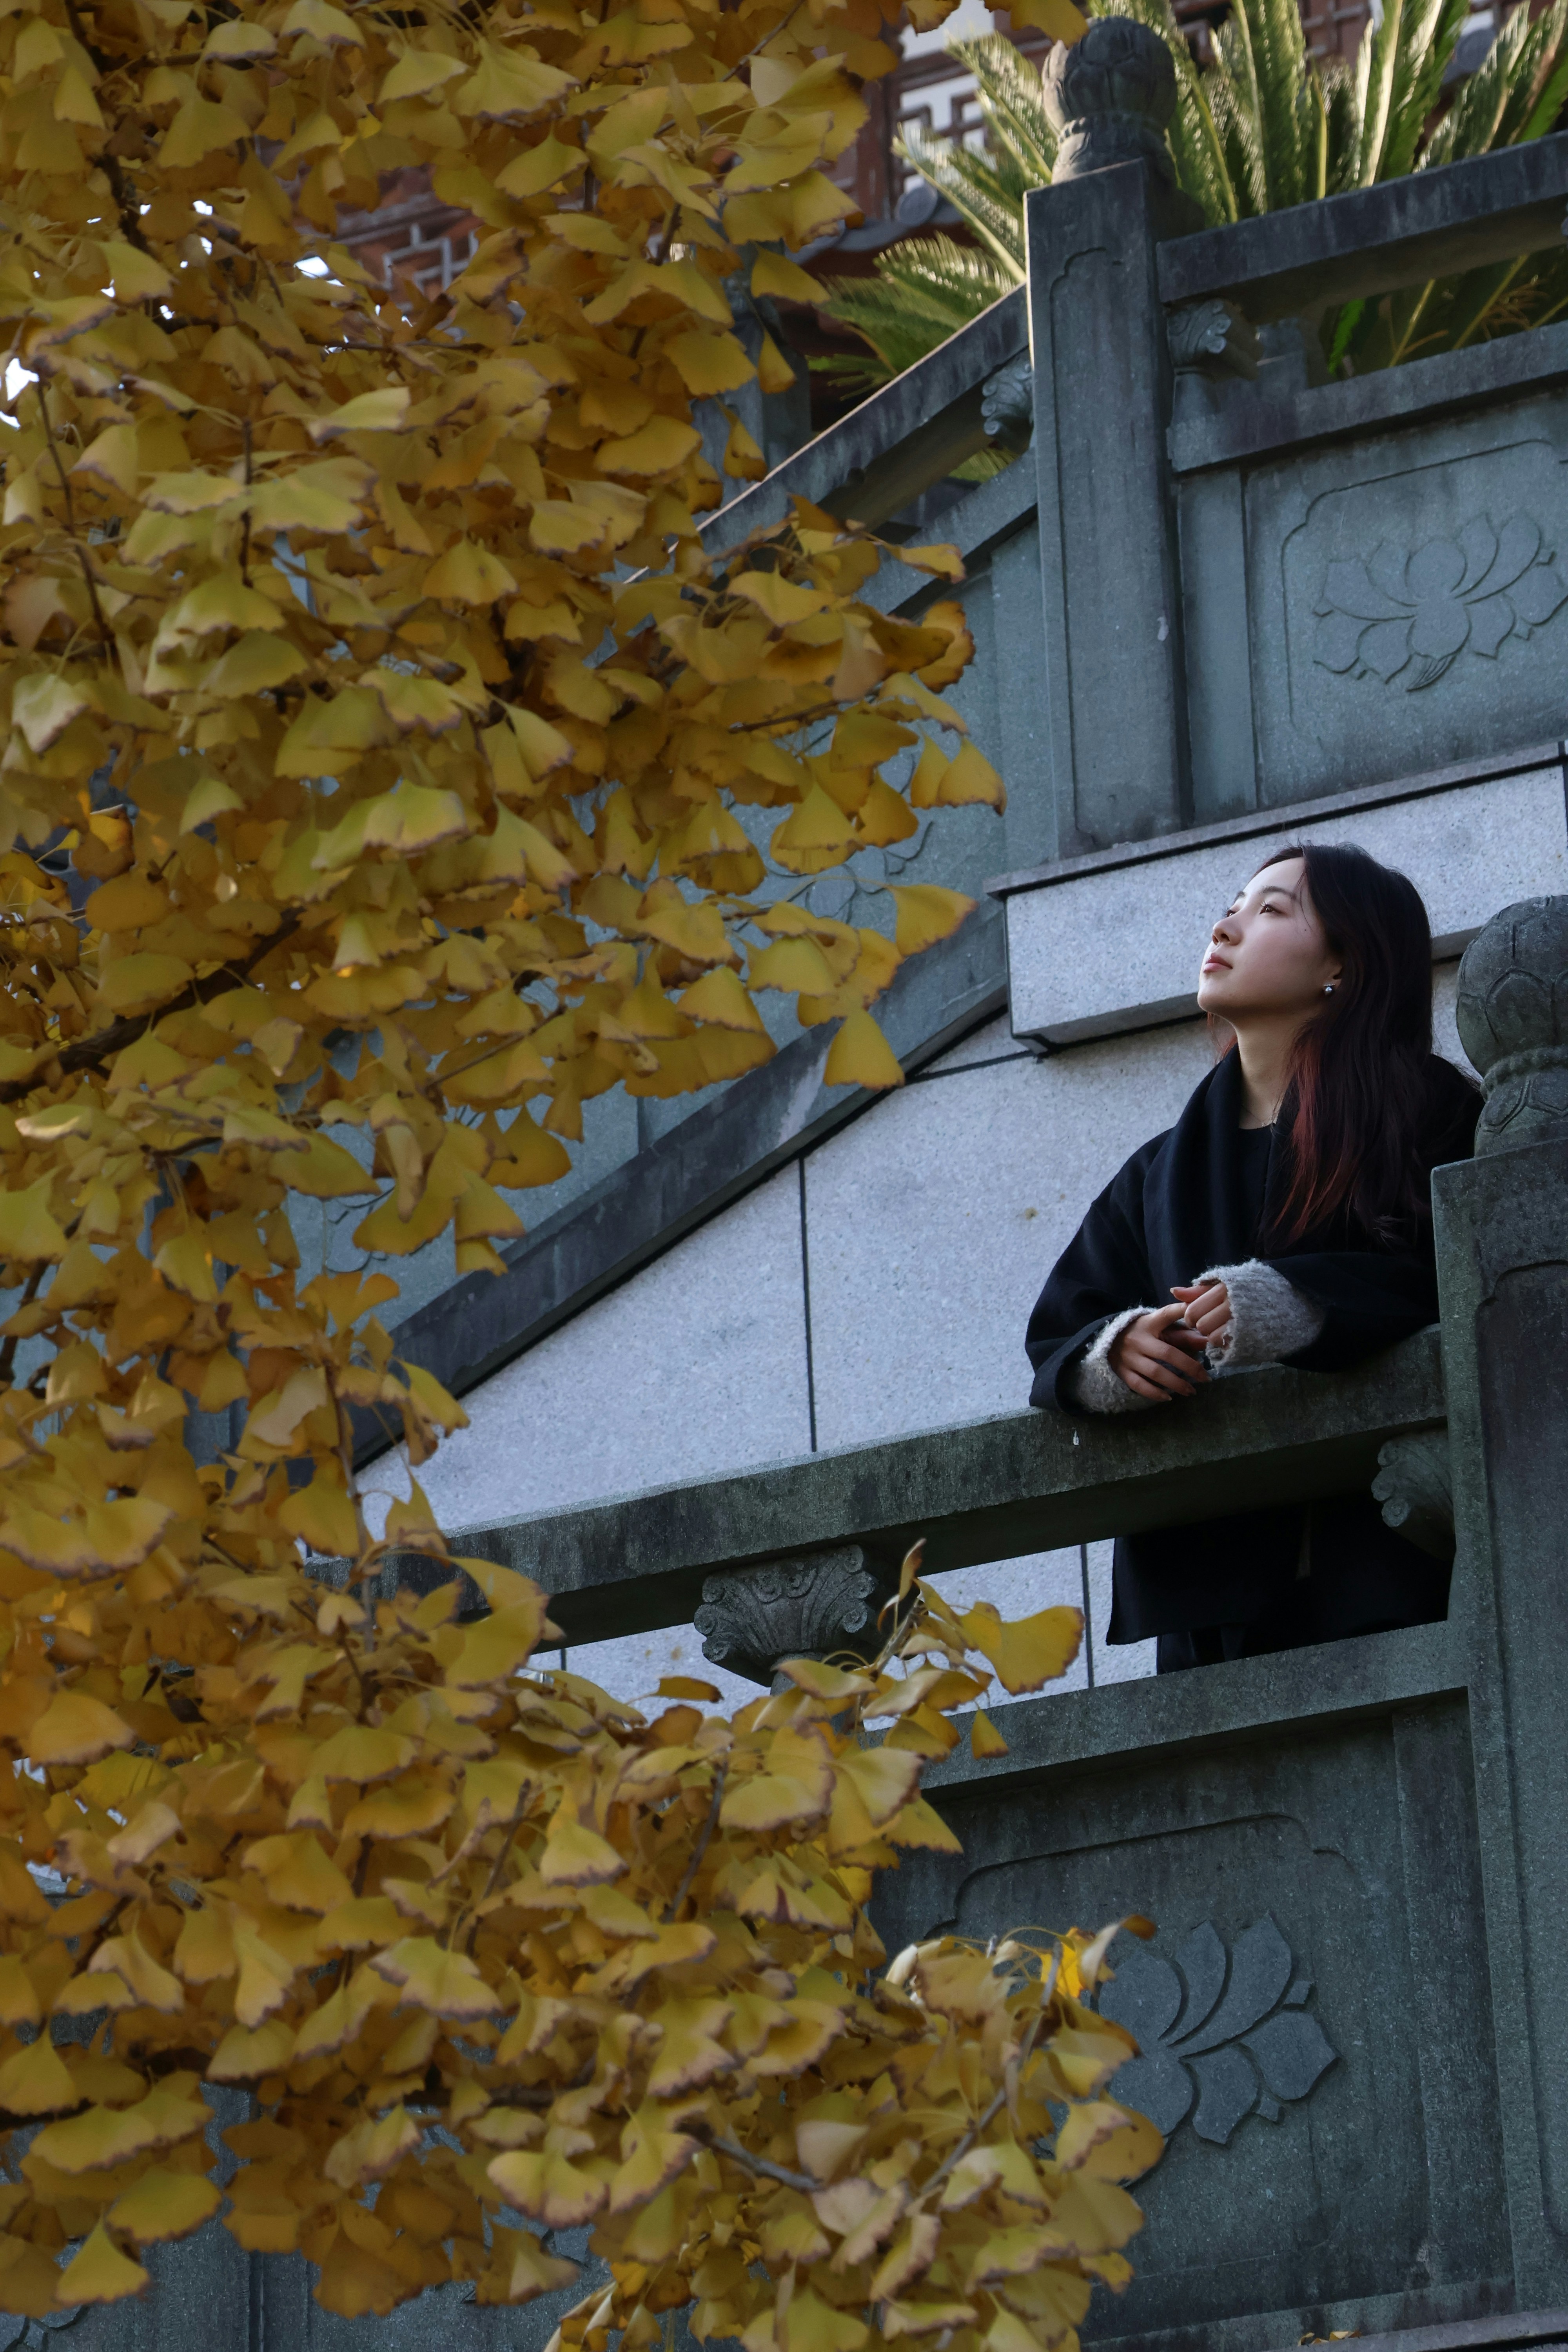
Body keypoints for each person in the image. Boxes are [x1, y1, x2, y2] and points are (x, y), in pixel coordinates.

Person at [1024, 840, 1480, 1673]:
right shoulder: (1157, 1171)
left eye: (1269, 910)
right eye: (1232, 903)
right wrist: (1115, 1355)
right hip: (1209, 1598)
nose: (1226, 924)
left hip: (1390, 1561)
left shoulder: (1432, 1115)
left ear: (1340, 964)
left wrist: (1290, 1303)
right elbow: (1057, 1334)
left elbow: (1466, 1283)